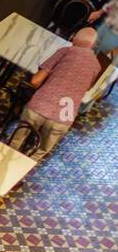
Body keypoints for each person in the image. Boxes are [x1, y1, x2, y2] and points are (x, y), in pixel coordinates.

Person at [21, 28, 102, 156]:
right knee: (40, 152)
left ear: (74, 39)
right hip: (64, 117)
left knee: (15, 141)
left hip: (40, 106)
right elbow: (87, 88)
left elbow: (35, 81)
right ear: (93, 45)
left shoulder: (65, 51)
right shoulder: (97, 66)